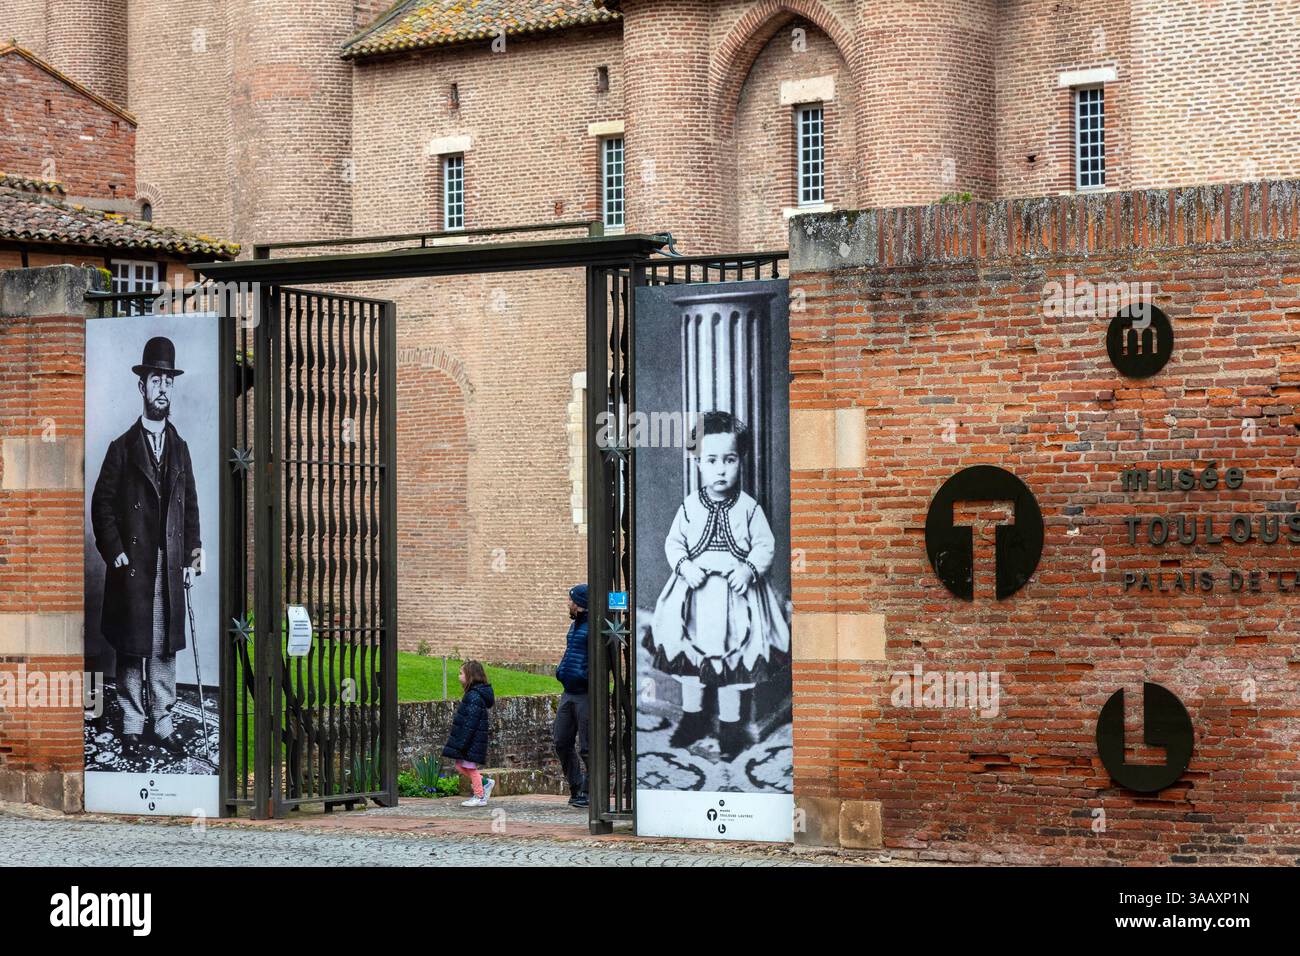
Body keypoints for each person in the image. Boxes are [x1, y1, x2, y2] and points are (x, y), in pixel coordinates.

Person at [645, 411, 791, 761]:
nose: (721, 469)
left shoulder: (749, 509)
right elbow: (673, 543)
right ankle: (693, 720)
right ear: (699, 464)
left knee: (733, 666)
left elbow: (764, 545)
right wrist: (684, 566)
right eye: (712, 461)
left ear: (740, 461)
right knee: (690, 664)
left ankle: (731, 729)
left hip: (736, 601)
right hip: (694, 601)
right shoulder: (690, 507)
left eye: (729, 460)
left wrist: (748, 570)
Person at [90, 336, 201, 760]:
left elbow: (190, 509)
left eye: (168, 381)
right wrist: (114, 549)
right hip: (133, 566)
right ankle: (133, 722)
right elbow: (102, 504)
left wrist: (192, 557)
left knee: (163, 648)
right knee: (133, 647)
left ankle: (164, 722)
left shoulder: (181, 449)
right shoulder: (121, 448)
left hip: (168, 564)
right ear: (142, 387)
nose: (162, 389)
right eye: (155, 380)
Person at [554, 584, 590, 808]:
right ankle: (576, 786)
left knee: (588, 747)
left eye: (571, 600)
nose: (568, 603)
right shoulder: (574, 626)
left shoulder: (592, 627)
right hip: (569, 691)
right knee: (561, 740)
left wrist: (585, 676)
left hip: (586, 693)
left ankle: (589, 791)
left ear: (580, 604)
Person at [442, 660, 496, 807]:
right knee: (460, 766)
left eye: (461, 673)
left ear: (470, 676)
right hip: (470, 740)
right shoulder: (473, 694)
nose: (459, 676)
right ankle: (486, 782)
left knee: (470, 769)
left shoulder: (473, 696)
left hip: (471, 741)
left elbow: (470, 723)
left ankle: (479, 797)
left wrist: (462, 743)